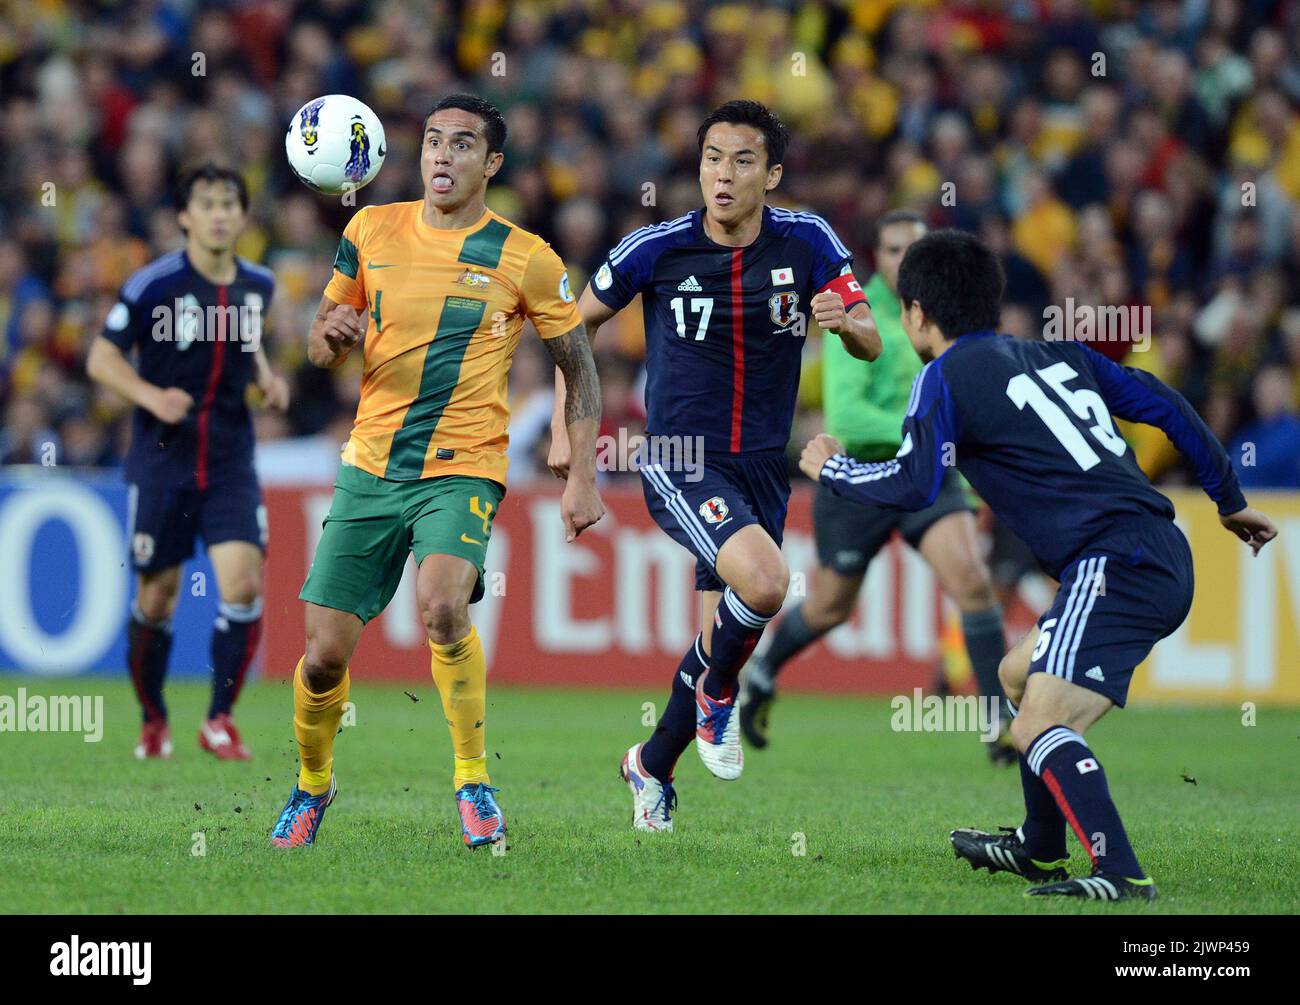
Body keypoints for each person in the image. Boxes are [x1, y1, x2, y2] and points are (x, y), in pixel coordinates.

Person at [799, 229, 1277, 900]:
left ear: (916, 315)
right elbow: (1166, 404)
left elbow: (914, 485)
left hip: (1116, 559)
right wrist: (1228, 500)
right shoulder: (1059, 353)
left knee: (1038, 723)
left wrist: (835, 468)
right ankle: (1041, 846)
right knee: (1014, 673)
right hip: (1147, 548)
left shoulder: (943, 377)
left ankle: (1119, 871)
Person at [269, 93, 604, 849]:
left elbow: (579, 368)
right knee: (322, 657)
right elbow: (323, 347)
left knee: (444, 604)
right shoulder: (369, 228)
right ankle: (311, 786)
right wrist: (329, 334)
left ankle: (472, 780)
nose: (442, 156)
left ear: (491, 163)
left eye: (462, 145)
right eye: (432, 142)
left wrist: (581, 470)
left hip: (465, 464)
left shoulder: (527, 255)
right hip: (370, 464)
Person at [550, 99, 881, 831]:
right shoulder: (658, 246)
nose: (722, 175)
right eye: (711, 159)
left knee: (718, 634)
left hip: (763, 466)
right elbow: (572, 327)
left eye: (741, 161)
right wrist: (570, 446)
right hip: (680, 456)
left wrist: (847, 325)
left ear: (772, 173)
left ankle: (650, 766)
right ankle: (721, 696)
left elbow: (870, 337)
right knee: (765, 583)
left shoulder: (808, 240)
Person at [740, 209, 1013, 763]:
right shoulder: (855, 313)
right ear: (878, 257)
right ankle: (763, 671)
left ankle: (1001, 721)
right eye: (891, 250)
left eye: (912, 250)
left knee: (973, 583)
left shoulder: (943, 313)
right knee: (830, 609)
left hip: (926, 477)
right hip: (857, 478)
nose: (901, 261)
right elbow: (849, 418)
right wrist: (932, 431)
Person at [86, 164, 288, 761]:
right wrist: (151, 397)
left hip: (230, 459)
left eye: (230, 203)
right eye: (207, 204)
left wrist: (268, 380)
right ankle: (153, 720)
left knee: (244, 584)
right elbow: (101, 358)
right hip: (163, 461)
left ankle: (219, 719)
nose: (220, 214)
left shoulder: (260, 285)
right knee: (157, 599)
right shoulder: (154, 285)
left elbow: (248, 345)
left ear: (244, 216)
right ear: (184, 216)